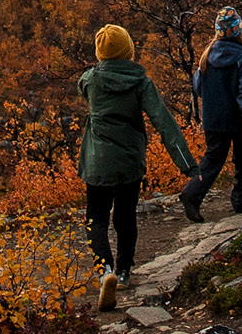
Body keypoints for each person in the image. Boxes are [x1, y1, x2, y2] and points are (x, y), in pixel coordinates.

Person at [79, 23, 197, 312]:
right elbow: (163, 122)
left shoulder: (89, 81)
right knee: (125, 215)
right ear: (128, 51)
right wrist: (188, 166)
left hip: (97, 161)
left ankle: (104, 269)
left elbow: (84, 88)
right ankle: (124, 272)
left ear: (100, 54)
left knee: (96, 217)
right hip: (130, 161)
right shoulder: (141, 83)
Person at [179, 5, 242, 222]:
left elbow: (198, 88)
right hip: (238, 120)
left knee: (213, 158)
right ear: (238, 31)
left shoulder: (206, 59)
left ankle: (192, 194)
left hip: (213, 119)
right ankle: (241, 200)